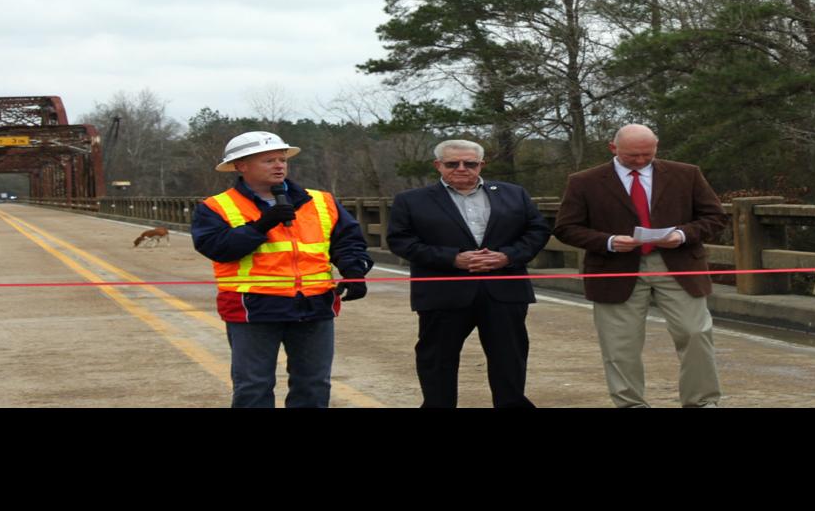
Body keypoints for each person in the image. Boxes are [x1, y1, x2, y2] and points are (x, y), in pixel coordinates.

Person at [191, 131, 373, 408]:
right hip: (253, 307)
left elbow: (348, 241)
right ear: (241, 166)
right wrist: (262, 225)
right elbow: (217, 248)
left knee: (313, 384)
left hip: (315, 305)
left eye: (282, 159)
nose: (279, 165)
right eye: (269, 161)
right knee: (254, 386)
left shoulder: (321, 201)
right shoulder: (216, 207)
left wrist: (353, 270)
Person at [553, 124, 727, 408]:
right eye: (632, 155)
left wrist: (681, 235)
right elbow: (566, 228)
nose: (640, 160)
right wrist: (608, 241)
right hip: (614, 268)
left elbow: (715, 217)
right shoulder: (584, 181)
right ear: (613, 148)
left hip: (678, 265)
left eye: (648, 154)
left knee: (695, 333)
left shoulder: (687, 174)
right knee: (620, 344)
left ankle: (702, 401)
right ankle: (630, 403)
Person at [385, 139, 552, 408]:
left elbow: (537, 231)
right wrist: (453, 259)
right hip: (444, 293)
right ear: (438, 165)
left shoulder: (514, 194)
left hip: (504, 291)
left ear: (481, 165)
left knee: (509, 359)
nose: (461, 168)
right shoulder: (411, 201)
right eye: (452, 164)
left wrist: (508, 256)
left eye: (470, 163)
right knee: (437, 360)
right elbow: (401, 241)